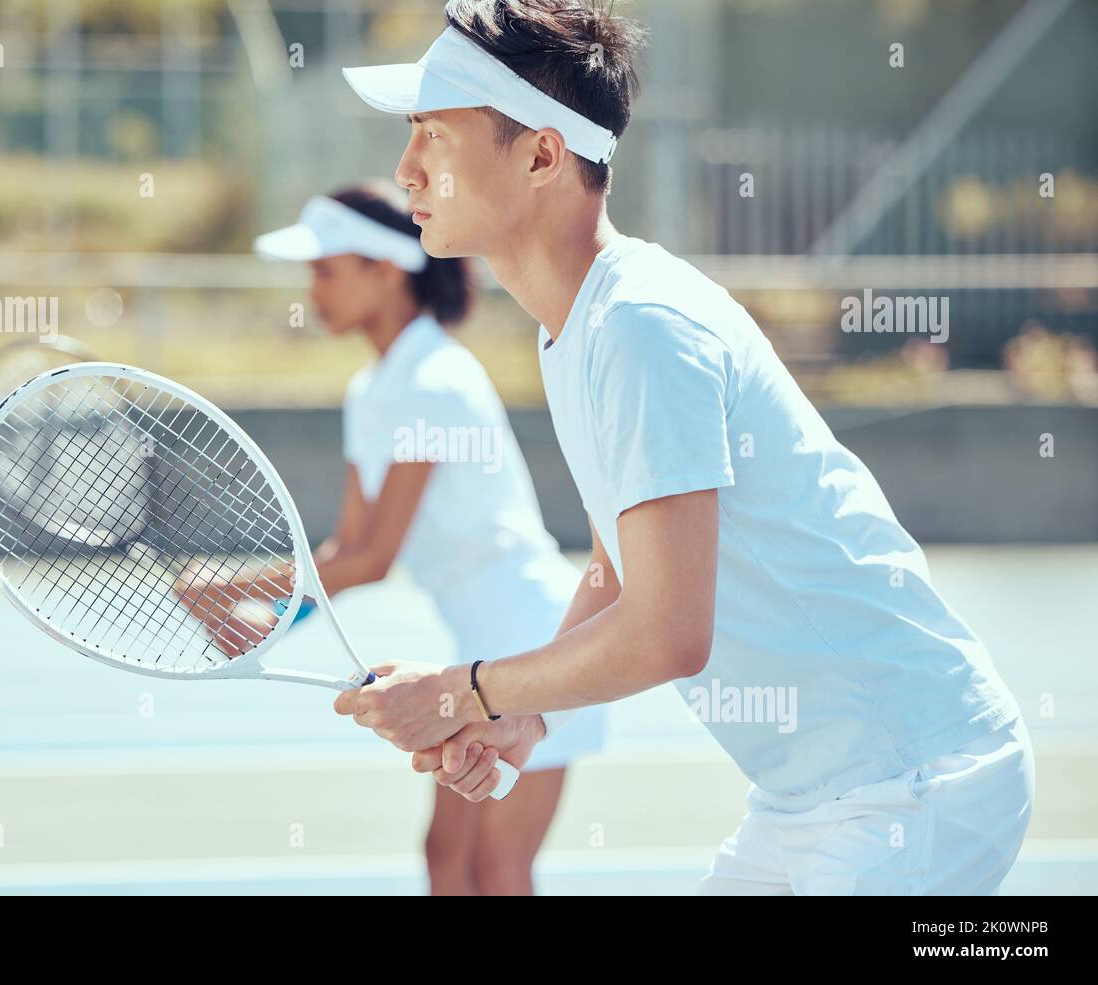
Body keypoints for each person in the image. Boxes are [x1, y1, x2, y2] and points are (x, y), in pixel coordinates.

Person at [332, 0, 1034, 895]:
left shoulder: (640, 328)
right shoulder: (577, 327)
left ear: (543, 154)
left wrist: (463, 692)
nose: (406, 168)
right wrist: (526, 713)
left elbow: (668, 631)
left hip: (916, 784)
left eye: (433, 132)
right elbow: (618, 565)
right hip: (808, 801)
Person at [176, 180, 605, 895]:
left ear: (385, 269)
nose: (313, 292)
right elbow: (344, 552)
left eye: (325, 270)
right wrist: (272, 624)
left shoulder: (435, 380)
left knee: (496, 868)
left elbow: (372, 559)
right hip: (481, 645)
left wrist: (222, 588)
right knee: (446, 859)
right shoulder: (372, 389)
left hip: (538, 637)